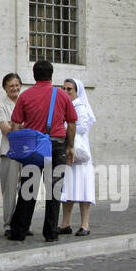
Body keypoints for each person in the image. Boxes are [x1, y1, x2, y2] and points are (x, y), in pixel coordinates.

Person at [8, 59, 77, 242]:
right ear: (52, 75)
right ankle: (51, 232)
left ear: (34, 75)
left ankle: (19, 231)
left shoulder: (25, 96)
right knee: (54, 190)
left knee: (28, 189)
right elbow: (71, 123)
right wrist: (70, 146)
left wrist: (18, 148)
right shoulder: (61, 95)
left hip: (33, 147)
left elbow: (15, 123)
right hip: (56, 145)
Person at [57, 78, 96, 236]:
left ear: (76, 90)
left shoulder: (81, 106)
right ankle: (65, 223)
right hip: (67, 151)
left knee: (83, 187)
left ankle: (85, 224)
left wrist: (64, 126)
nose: (66, 92)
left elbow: (82, 127)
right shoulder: (64, 104)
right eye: (64, 88)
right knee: (67, 189)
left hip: (79, 152)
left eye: (69, 89)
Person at [0, 73, 22, 236]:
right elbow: (6, 130)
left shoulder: (25, 102)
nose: (15, 88)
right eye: (11, 86)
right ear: (5, 87)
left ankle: (24, 222)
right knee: (9, 190)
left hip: (26, 152)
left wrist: (14, 123)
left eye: (17, 85)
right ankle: (9, 224)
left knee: (26, 189)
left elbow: (32, 125)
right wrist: (20, 124)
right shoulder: (0, 105)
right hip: (9, 152)